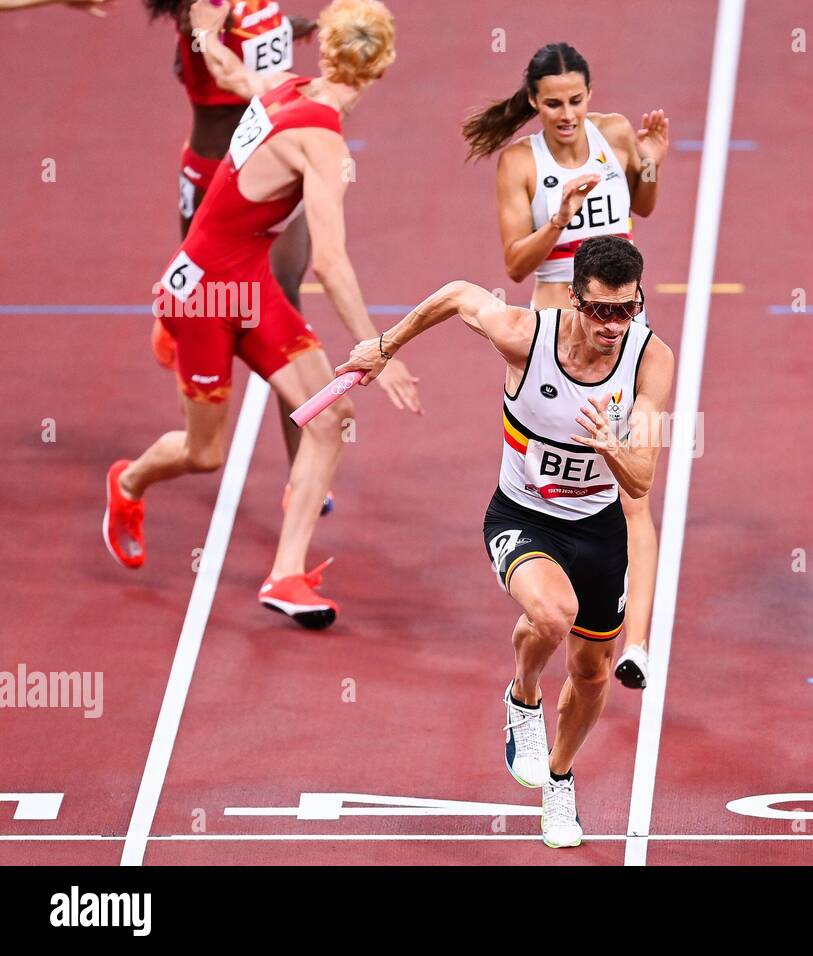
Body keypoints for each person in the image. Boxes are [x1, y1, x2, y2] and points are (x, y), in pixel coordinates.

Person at [334, 236, 675, 848]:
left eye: (627, 309)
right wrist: (384, 348)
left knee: (593, 672)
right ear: (574, 300)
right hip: (521, 515)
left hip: (598, 531)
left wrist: (612, 449)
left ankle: (560, 782)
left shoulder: (650, 360)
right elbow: (458, 295)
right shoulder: (526, 336)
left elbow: (644, 477)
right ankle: (522, 699)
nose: (613, 325)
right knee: (553, 613)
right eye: (600, 310)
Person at [102, 0, 420, 631]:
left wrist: (201, 32)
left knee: (331, 418)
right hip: (201, 296)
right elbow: (330, 263)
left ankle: (287, 574)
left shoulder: (282, 85)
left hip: (248, 283)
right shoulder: (324, 143)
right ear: (383, 68)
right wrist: (377, 349)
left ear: (324, 51)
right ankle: (128, 485)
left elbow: (227, 71)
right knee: (203, 453)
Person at [462, 42, 671, 692]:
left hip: (619, 332)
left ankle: (635, 643)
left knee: (636, 492)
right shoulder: (521, 162)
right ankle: (545, 582)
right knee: (568, 477)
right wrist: (560, 218)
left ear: (589, 94)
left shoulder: (611, 132)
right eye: (552, 103)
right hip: (560, 340)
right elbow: (515, 265)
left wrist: (652, 167)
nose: (566, 113)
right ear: (533, 101)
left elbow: (643, 206)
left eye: (575, 100)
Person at [144, 0, 334, 514]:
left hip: (271, 169)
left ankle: (303, 475)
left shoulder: (260, 5)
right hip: (213, 176)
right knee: (217, 299)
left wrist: (298, 29)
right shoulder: (201, 9)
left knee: (287, 296)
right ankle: (177, 319)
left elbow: (261, 42)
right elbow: (216, 68)